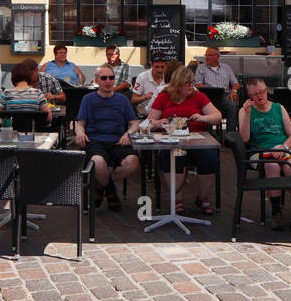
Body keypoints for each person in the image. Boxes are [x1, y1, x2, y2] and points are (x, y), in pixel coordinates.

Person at [148, 67, 222, 217]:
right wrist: (159, 123)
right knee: (173, 156)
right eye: (187, 83)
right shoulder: (164, 96)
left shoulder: (198, 96)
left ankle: (202, 197)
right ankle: (177, 198)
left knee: (209, 156)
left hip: (196, 138)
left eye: (192, 82)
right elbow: (149, 121)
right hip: (172, 139)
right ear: (178, 84)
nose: (191, 86)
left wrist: (202, 118)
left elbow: (217, 116)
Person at [239, 77, 291, 230]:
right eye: (255, 94)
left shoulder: (278, 108)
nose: (260, 96)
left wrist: (283, 147)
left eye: (262, 92)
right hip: (260, 151)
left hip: (284, 147)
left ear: (267, 90)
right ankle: (275, 212)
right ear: (250, 95)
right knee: (272, 167)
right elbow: (245, 138)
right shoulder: (245, 110)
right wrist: (247, 115)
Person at [75, 64, 139, 211]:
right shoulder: (88, 99)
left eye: (111, 77)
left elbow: (135, 123)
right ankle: (111, 192)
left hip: (118, 141)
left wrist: (127, 133)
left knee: (133, 162)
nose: (108, 81)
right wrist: (80, 133)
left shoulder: (122, 99)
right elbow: (80, 123)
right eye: (104, 78)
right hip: (95, 141)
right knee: (97, 163)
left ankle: (100, 186)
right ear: (97, 80)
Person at [0, 61, 51, 127]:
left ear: (13, 77)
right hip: (32, 133)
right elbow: (49, 117)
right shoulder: (38, 93)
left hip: (12, 134)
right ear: (29, 75)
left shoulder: (6, 94)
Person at [194, 47, 240, 128]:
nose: (207, 57)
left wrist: (234, 91)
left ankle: (231, 136)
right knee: (204, 107)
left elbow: (236, 83)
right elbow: (198, 84)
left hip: (224, 95)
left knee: (231, 106)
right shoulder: (201, 68)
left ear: (217, 57)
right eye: (206, 55)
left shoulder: (226, 67)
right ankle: (209, 133)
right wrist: (212, 89)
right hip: (208, 96)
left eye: (210, 55)